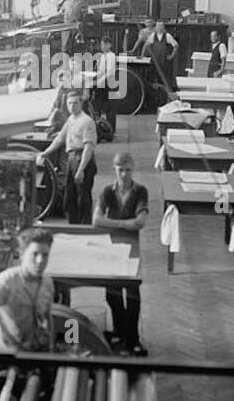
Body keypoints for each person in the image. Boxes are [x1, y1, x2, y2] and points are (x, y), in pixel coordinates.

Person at [92, 152, 150, 355]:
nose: (124, 174)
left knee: (133, 295)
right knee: (113, 295)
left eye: (128, 170)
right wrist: (126, 224)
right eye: (120, 170)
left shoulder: (141, 191)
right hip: (112, 247)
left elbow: (141, 222)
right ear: (114, 169)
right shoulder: (107, 191)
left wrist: (114, 224)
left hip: (132, 248)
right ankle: (121, 333)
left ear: (132, 170)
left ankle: (132, 339)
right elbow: (96, 220)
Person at [36, 89, 98, 225]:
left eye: (75, 103)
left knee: (83, 197)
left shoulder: (86, 122)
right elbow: (60, 139)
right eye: (69, 103)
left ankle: (85, 226)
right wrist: (45, 153)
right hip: (71, 158)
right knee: (69, 197)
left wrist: (81, 169)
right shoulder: (70, 120)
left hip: (82, 158)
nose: (72, 106)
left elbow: (88, 147)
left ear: (81, 103)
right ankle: (73, 224)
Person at [89, 34, 118, 138]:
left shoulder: (111, 56)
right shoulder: (102, 56)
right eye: (101, 45)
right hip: (102, 84)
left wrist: (99, 81)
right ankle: (99, 128)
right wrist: (92, 77)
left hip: (109, 83)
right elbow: (101, 71)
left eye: (105, 44)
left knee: (110, 108)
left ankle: (111, 131)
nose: (103, 47)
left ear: (109, 45)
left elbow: (110, 72)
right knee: (97, 106)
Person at [140, 19, 179, 95]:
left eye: (161, 26)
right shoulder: (152, 36)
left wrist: (171, 55)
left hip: (164, 61)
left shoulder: (167, 36)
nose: (159, 28)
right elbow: (146, 45)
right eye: (158, 26)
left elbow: (176, 45)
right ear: (156, 27)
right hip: (155, 60)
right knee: (154, 77)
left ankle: (167, 94)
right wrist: (142, 55)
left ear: (163, 27)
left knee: (165, 78)